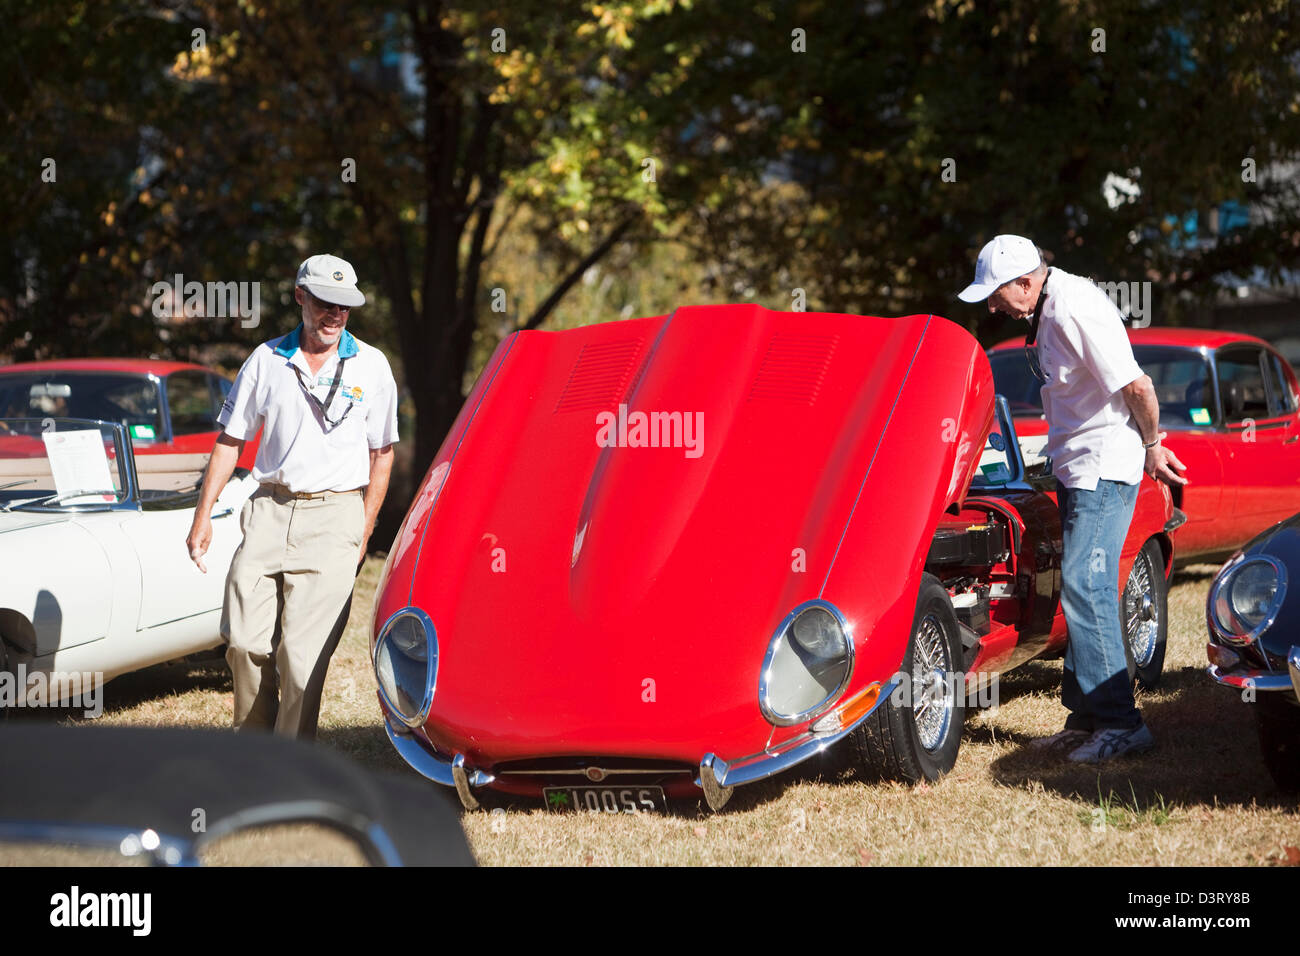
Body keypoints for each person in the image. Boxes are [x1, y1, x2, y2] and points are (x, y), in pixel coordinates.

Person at [958, 234, 1187, 763]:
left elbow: (1138, 387)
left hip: (1104, 467)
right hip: (1078, 467)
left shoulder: (1076, 307)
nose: (993, 306)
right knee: (1080, 586)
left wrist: (1153, 448)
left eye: (996, 294)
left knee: (1087, 584)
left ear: (1025, 281)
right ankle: (1085, 719)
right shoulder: (1048, 308)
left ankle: (1121, 724)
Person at [186, 253, 398, 739]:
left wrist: (362, 529)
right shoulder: (266, 360)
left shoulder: (371, 365)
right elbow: (230, 441)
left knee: (301, 662)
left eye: (345, 307)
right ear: (300, 296)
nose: (335, 315)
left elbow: (382, 454)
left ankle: (287, 770)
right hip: (268, 509)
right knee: (242, 643)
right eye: (325, 302)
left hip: (334, 515)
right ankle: (256, 752)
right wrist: (203, 517)